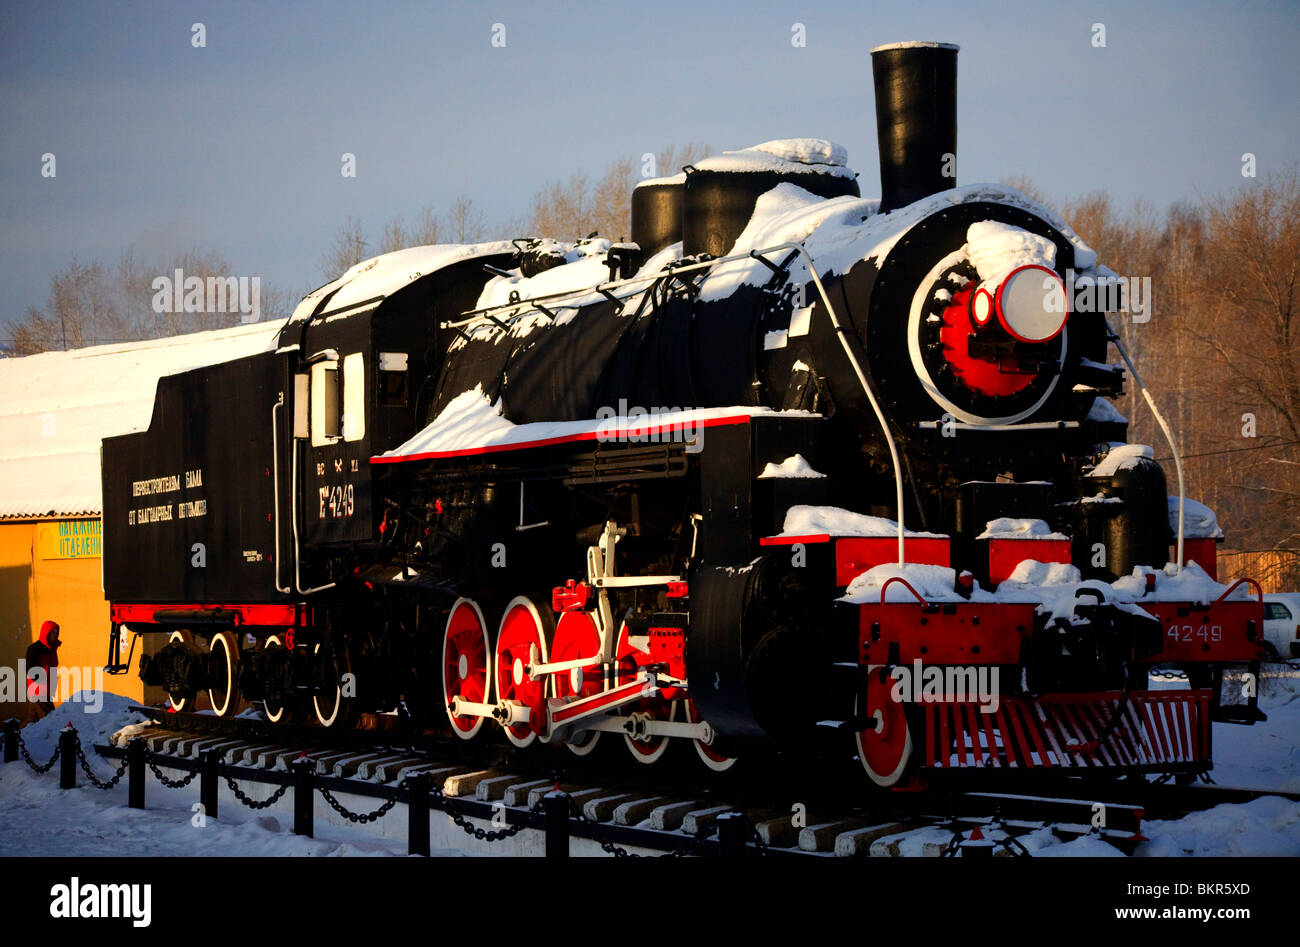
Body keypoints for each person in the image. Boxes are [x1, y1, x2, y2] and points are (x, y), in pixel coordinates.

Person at [24, 620, 60, 722]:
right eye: (53, 631)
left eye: (57, 631)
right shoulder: (35, 649)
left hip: (47, 691)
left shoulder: (51, 649)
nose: (56, 634)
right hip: (39, 691)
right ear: (46, 632)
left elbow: (53, 667)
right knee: (49, 720)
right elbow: (29, 668)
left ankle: (14, 734)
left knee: (33, 723)